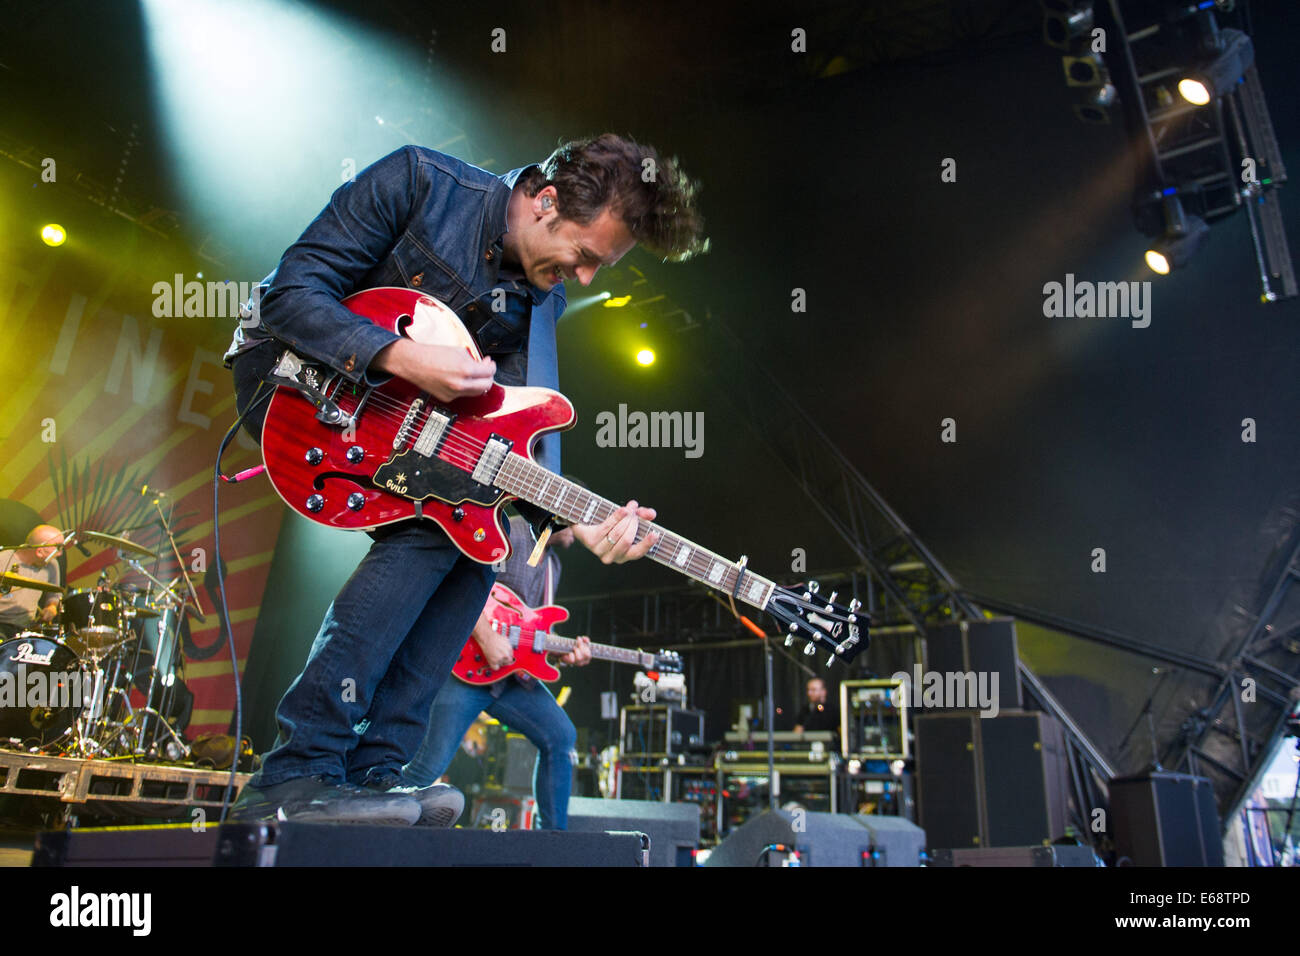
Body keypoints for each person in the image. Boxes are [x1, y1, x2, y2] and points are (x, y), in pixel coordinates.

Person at [224, 134, 706, 825]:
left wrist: (579, 523)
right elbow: (287, 295)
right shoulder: (421, 181)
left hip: (404, 430)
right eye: (588, 255)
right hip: (292, 379)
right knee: (430, 533)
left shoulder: (539, 305)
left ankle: (375, 772)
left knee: (479, 539)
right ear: (545, 202)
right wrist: (396, 354)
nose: (589, 278)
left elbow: (501, 451)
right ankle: (295, 771)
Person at [404, 515, 589, 829]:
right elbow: (458, 583)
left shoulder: (553, 566)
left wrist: (561, 657)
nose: (580, 533)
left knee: (560, 736)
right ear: (559, 515)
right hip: (466, 668)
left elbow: (531, 635)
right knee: (427, 765)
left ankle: (553, 847)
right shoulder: (510, 530)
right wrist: (487, 638)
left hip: (510, 679)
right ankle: (374, 834)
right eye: (578, 522)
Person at [0, 525, 64, 641]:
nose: (60, 553)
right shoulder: (3, 559)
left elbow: (54, 596)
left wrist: (51, 607)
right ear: (39, 552)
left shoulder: (52, 565)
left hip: (26, 630)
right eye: (58, 548)